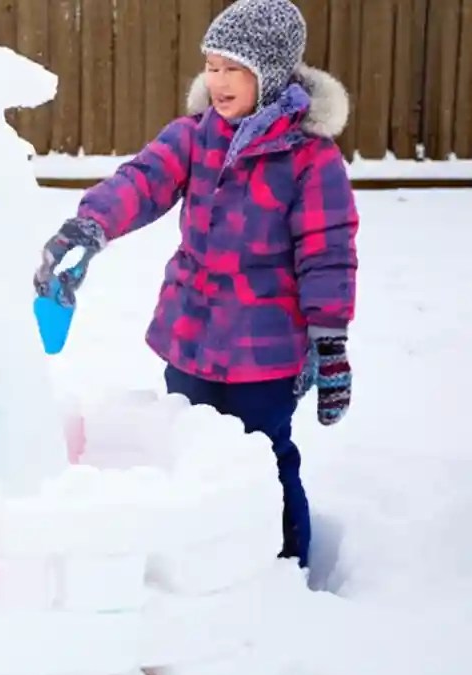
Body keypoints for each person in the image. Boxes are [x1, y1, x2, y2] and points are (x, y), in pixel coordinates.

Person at [33, 0, 358, 569]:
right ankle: (202, 574)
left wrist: (329, 344)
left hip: (267, 351)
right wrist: (90, 226)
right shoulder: (194, 136)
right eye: (211, 65)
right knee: (190, 454)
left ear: (272, 71)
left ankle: (285, 567)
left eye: (234, 68)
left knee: (264, 458)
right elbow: (142, 180)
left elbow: (328, 253)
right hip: (191, 338)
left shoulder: (310, 159)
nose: (218, 81)